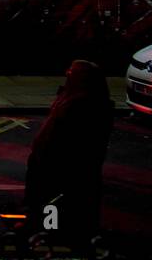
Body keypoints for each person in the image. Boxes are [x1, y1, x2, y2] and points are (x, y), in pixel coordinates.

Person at [24, 60, 114, 248]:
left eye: (71, 73)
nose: (67, 74)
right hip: (49, 164)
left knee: (57, 205)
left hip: (60, 169)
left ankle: (58, 238)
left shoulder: (83, 104)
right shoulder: (73, 97)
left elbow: (70, 142)